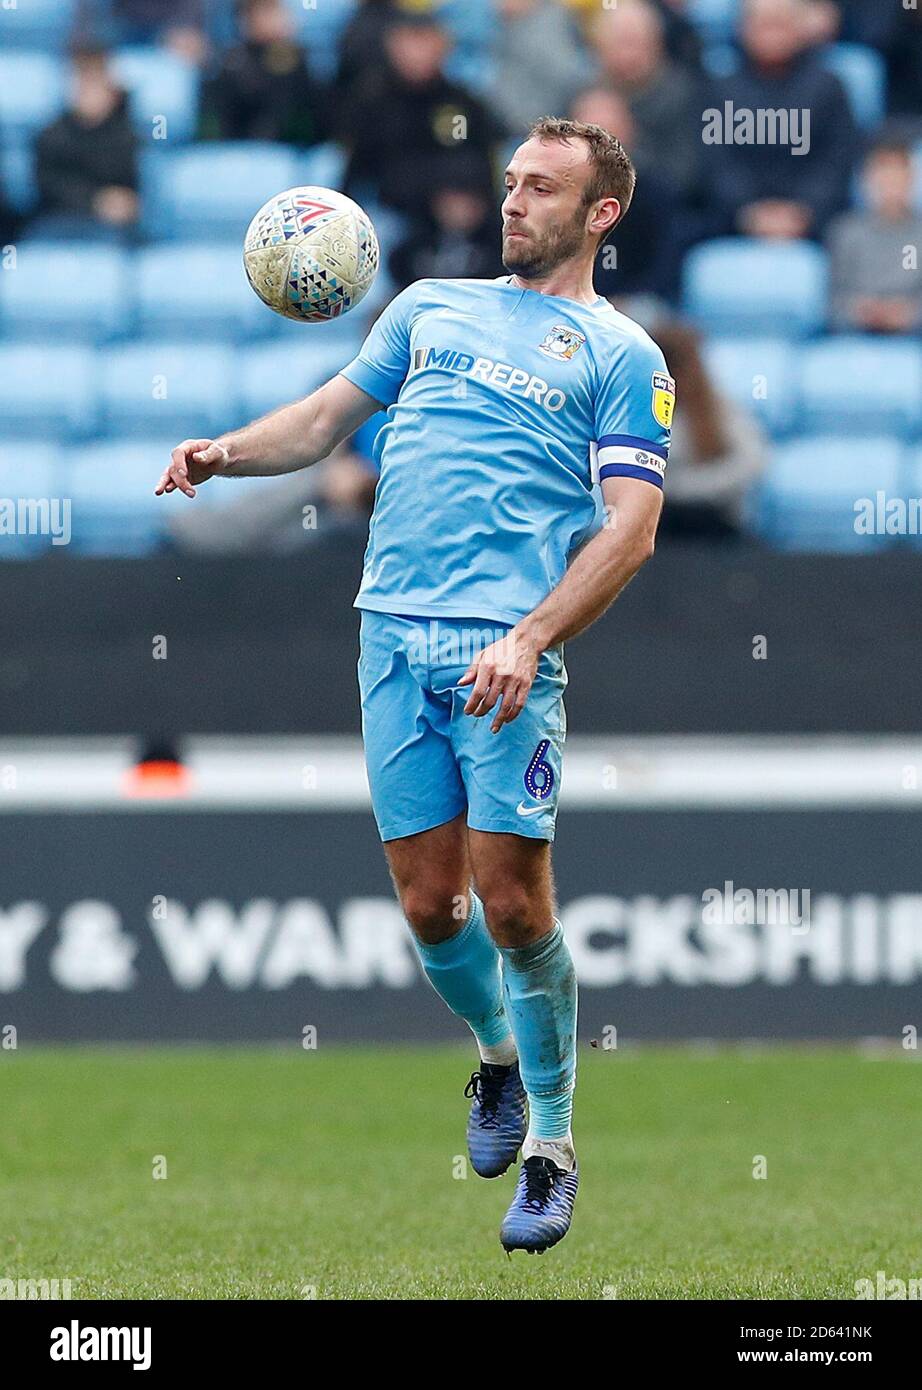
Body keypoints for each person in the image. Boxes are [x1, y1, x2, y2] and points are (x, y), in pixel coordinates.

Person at [155, 116, 672, 1255]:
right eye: (512, 182)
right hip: (390, 637)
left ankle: (552, 1145)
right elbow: (326, 419)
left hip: (504, 655)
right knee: (429, 903)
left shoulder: (624, 356)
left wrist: (532, 635)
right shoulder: (429, 308)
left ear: (601, 214)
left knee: (515, 902)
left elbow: (630, 531)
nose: (515, 201)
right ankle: (494, 1055)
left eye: (544, 188)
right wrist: (224, 450)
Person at [705, 0, 856, 240]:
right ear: (743, 29)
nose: (771, 35)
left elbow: (837, 159)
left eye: (780, 24)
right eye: (763, 25)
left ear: (799, 28)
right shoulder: (721, 90)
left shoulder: (829, 88)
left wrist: (805, 211)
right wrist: (749, 212)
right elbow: (717, 162)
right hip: (735, 220)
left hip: (816, 219)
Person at [336, 10, 500, 221]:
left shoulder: (461, 103)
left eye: (425, 42)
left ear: (443, 46)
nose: (417, 53)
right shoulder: (371, 100)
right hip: (394, 213)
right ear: (392, 45)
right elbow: (356, 166)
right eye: (411, 41)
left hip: (455, 215)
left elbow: (475, 158)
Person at [652, 321, 766, 537]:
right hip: (658, 526)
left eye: (679, 366)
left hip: (716, 525)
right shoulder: (638, 413)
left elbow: (753, 462)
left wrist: (688, 487)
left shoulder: (721, 410)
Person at [35, 43, 139, 235]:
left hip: (115, 228)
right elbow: (47, 186)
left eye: (96, 84)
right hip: (60, 223)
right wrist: (95, 201)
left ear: (111, 90)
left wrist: (123, 203)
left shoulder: (129, 137)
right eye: (83, 84)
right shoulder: (50, 136)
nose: (89, 93)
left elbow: (135, 188)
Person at [198, 0, 327, 147]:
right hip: (239, 150)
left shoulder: (299, 58)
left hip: (291, 150)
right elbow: (220, 125)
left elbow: (312, 118)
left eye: (277, 12)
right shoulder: (232, 63)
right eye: (267, 12)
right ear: (246, 20)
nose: (276, 19)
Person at [827, 138, 922, 334]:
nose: (890, 185)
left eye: (897, 175)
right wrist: (859, 311)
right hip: (854, 341)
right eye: (883, 176)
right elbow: (832, 302)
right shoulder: (845, 234)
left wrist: (908, 314)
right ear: (865, 180)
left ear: (911, 179)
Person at [388, 163, 505, 289]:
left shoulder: (500, 248)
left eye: (467, 201)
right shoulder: (414, 247)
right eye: (450, 200)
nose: (458, 209)